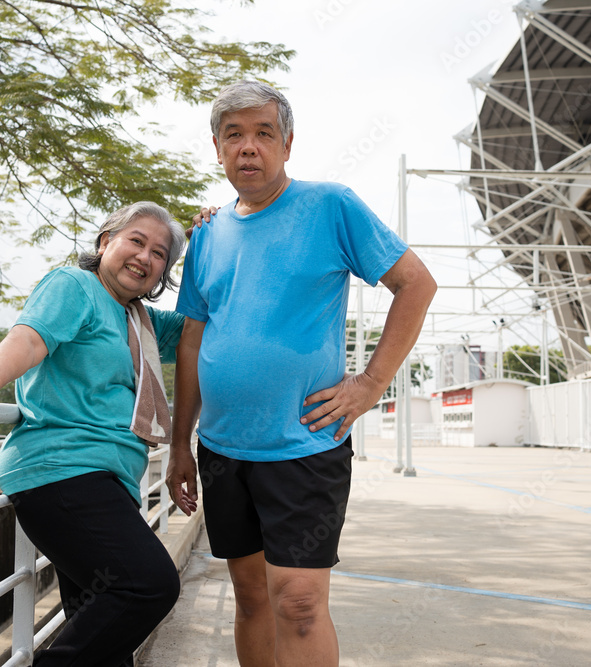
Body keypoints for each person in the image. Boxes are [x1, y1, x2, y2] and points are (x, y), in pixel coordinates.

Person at [166, 81, 437, 666]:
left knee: (300, 604)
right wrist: (180, 446)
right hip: (222, 448)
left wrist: (369, 384)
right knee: (250, 596)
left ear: (287, 143)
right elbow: (192, 340)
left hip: (304, 445)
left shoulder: (330, 205)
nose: (249, 147)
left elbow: (416, 284)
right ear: (216, 149)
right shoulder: (206, 234)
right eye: (234, 135)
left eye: (264, 133)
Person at [0, 201, 187, 667]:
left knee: (104, 639)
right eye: (136, 240)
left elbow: (205, 321)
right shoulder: (75, 286)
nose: (145, 257)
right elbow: (31, 337)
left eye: (159, 254)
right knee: (149, 583)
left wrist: (216, 236)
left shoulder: (142, 322)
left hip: (106, 481)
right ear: (104, 242)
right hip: (62, 471)